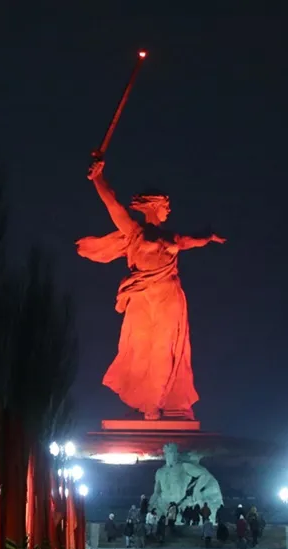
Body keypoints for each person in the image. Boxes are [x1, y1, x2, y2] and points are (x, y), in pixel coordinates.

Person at [75, 159, 225, 420]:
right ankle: (142, 400)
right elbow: (113, 205)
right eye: (166, 205)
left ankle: (155, 403)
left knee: (164, 349)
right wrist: (98, 178)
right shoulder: (134, 232)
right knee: (139, 348)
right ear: (154, 206)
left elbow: (194, 241)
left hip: (168, 295)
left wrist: (209, 237)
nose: (169, 210)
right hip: (142, 295)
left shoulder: (173, 237)